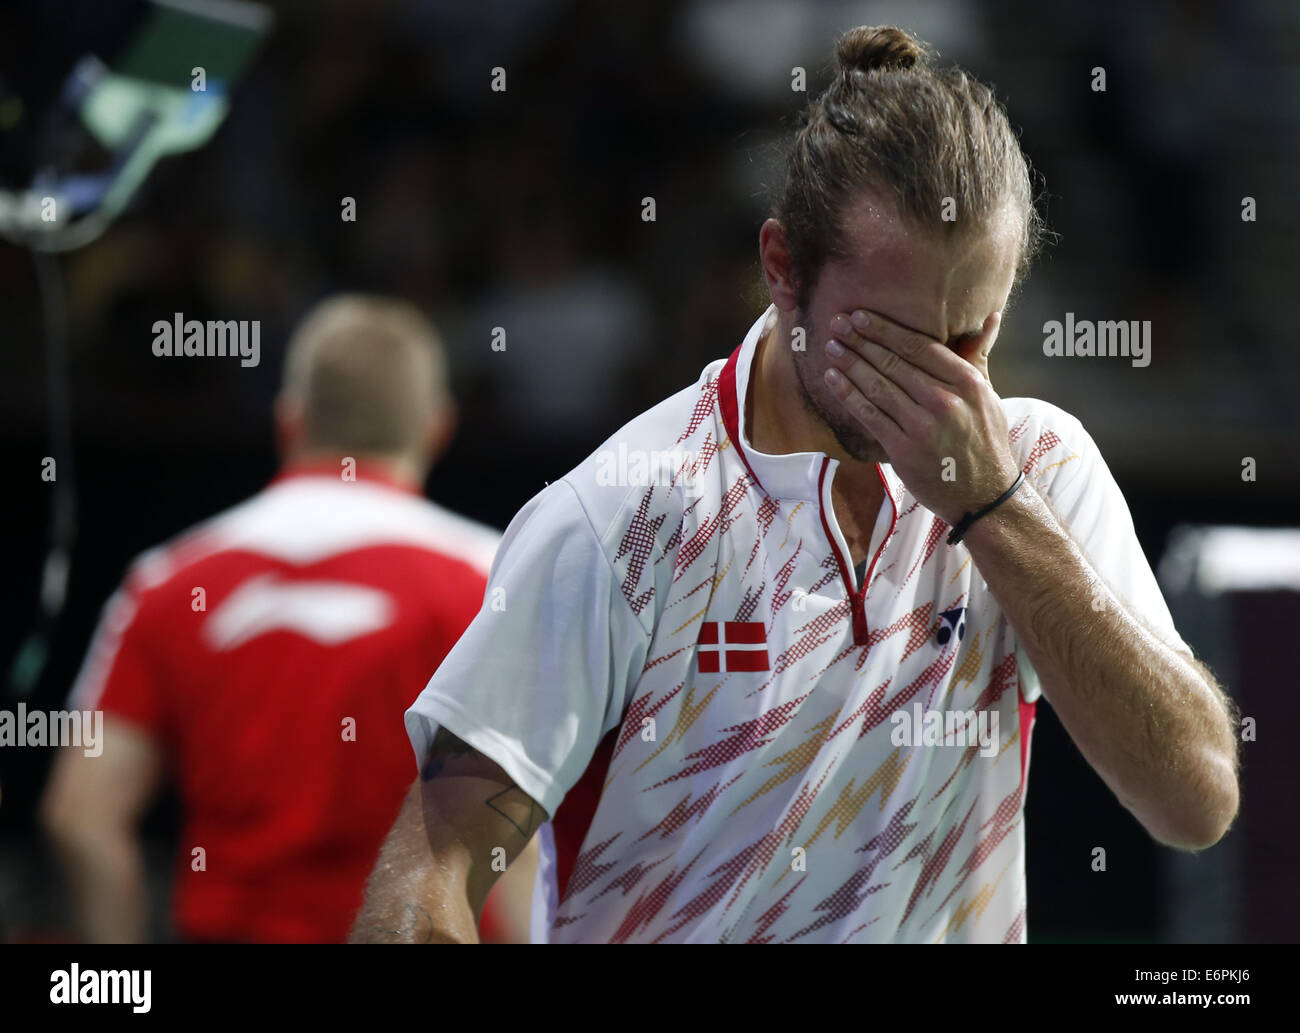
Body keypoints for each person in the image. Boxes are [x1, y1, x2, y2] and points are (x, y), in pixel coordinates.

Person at [351, 26, 1240, 945]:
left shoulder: (1041, 468)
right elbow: (419, 889)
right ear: (782, 268)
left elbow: (1196, 800)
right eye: (886, 340)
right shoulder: (625, 510)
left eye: (970, 338)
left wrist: (994, 509)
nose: (937, 385)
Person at [41, 294, 537, 943]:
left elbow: (81, 814)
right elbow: (523, 835)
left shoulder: (167, 581)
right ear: (437, 427)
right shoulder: (490, 580)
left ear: (288, 420)